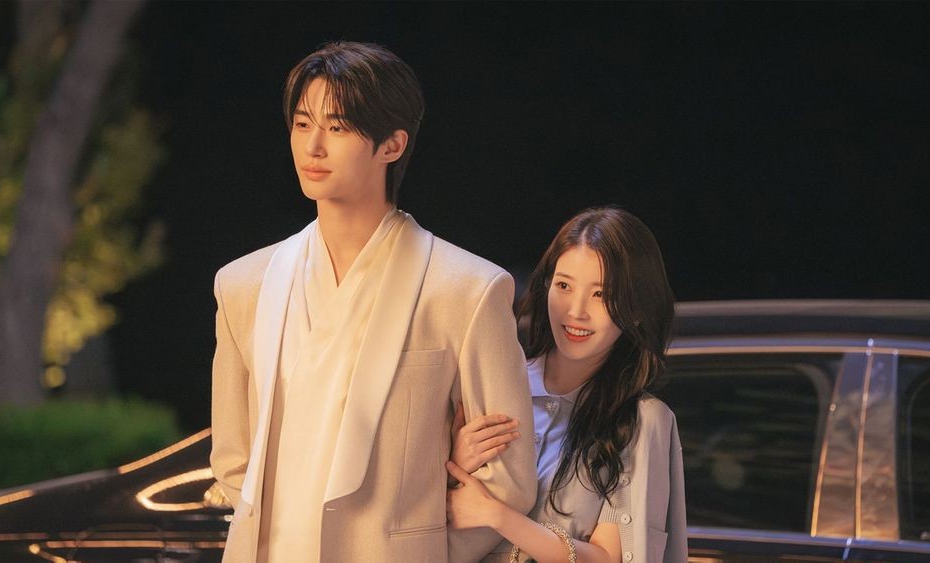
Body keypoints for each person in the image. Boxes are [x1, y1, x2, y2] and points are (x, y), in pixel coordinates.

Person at [209, 41, 537, 563]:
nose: (313, 146)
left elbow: (509, 479)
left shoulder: (466, 289)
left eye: (338, 128)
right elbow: (232, 459)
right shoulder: (243, 286)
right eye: (302, 124)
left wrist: (420, 550)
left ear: (392, 144)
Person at [447, 207, 688, 563]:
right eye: (563, 286)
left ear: (636, 309)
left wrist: (496, 515)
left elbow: (610, 558)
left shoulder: (640, 421)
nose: (575, 311)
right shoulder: (488, 384)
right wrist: (452, 465)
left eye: (600, 294)